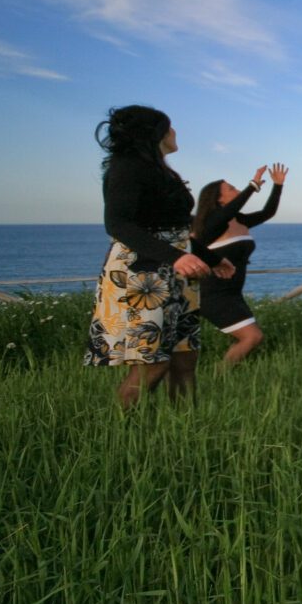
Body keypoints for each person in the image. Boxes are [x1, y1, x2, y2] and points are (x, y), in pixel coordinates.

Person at [84, 105, 233, 409]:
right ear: (154, 133)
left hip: (176, 274)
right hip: (144, 274)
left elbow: (177, 228)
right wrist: (174, 258)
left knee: (184, 358)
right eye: (170, 126)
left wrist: (210, 258)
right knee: (153, 363)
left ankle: (185, 431)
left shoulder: (158, 168)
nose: (175, 132)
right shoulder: (126, 168)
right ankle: (120, 434)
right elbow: (118, 224)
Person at [191, 163, 288, 366]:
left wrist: (278, 185)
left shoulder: (239, 220)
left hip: (233, 293)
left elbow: (267, 212)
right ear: (219, 199)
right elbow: (228, 212)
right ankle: (220, 377)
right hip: (212, 293)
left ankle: (221, 375)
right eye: (231, 188)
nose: (237, 190)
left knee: (251, 337)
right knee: (252, 336)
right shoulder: (213, 222)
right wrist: (252, 185)